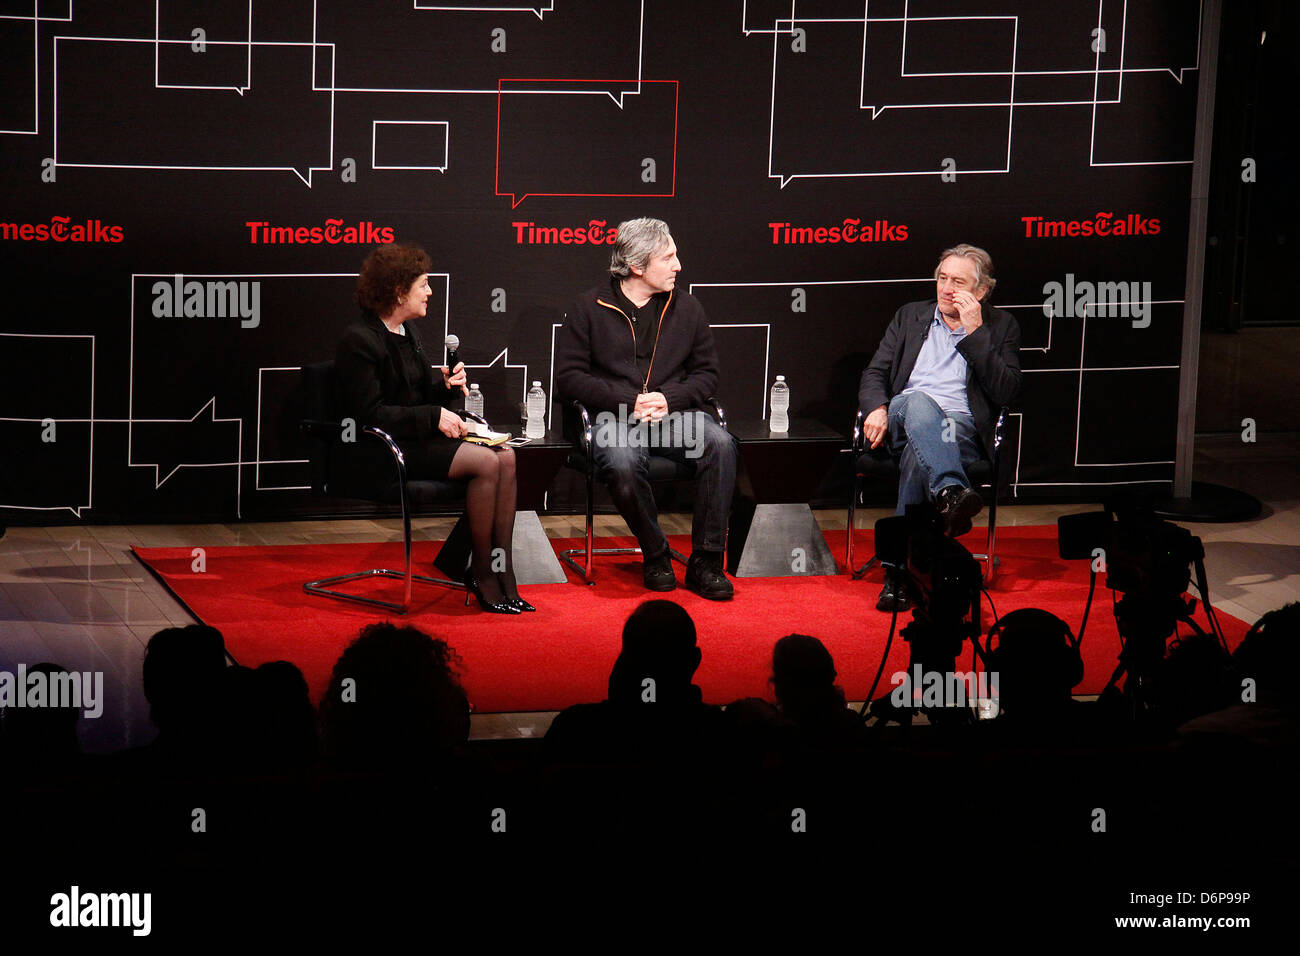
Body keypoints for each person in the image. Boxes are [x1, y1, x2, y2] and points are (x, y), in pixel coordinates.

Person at [335, 243, 531, 614]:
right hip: (380, 450)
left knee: (505, 456)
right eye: (423, 284)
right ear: (398, 290)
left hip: (415, 440)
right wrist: (432, 416)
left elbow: (417, 392)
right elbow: (366, 414)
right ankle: (484, 573)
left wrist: (445, 386)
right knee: (487, 463)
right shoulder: (359, 340)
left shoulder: (407, 332)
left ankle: (503, 572)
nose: (429, 291)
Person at [555, 218, 738, 600]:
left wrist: (669, 399)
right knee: (621, 461)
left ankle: (706, 562)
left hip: (671, 418)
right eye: (669, 257)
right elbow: (570, 378)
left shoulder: (687, 308)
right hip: (611, 418)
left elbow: (707, 375)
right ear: (637, 266)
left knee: (719, 443)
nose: (678, 265)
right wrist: (629, 401)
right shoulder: (589, 307)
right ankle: (656, 553)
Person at [859, 244, 1021, 611]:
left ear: (980, 292)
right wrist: (877, 408)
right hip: (903, 416)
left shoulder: (1001, 326)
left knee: (920, 457)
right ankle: (950, 490)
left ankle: (898, 573)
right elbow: (875, 373)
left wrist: (976, 335)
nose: (947, 288)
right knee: (918, 402)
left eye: (958, 282)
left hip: (958, 431)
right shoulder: (909, 316)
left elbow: (1006, 391)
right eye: (942, 278)